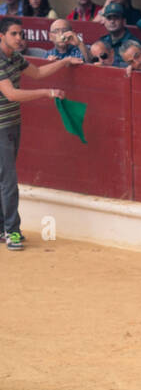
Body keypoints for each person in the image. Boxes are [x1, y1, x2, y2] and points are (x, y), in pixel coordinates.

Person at [0, 16, 75, 252]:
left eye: (21, 34)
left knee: (4, 179)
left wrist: (63, 62)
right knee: (9, 181)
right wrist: (47, 93)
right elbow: (11, 94)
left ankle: (4, 227)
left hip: (12, 123)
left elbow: (38, 72)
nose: (19, 38)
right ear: (1, 36)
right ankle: (12, 231)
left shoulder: (15, 57)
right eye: (14, 34)